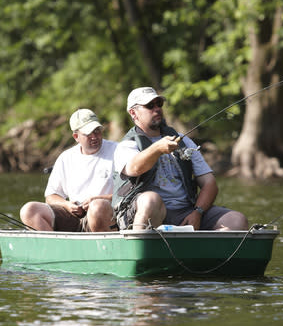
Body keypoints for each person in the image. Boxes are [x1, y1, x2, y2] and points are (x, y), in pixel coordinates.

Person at [112, 87, 248, 231]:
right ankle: (140, 250)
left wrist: (198, 213)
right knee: (151, 200)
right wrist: (157, 149)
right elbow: (134, 168)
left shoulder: (183, 140)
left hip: (186, 210)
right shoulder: (126, 145)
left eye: (159, 104)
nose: (157, 109)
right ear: (133, 113)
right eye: (150, 106)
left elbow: (209, 183)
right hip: (149, 210)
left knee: (237, 221)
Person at [20, 108, 117, 232]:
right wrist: (66, 205)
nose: (94, 137)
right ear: (76, 137)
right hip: (74, 217)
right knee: (29, 210)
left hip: (106, 214)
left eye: (97, 131)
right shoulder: (66, 157)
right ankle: (55, 249)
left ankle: (103, 248)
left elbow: (131, 193)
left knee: (97, 207)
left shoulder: (118, 150)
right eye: (88, 134)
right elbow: (51, 196)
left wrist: (100, 199)